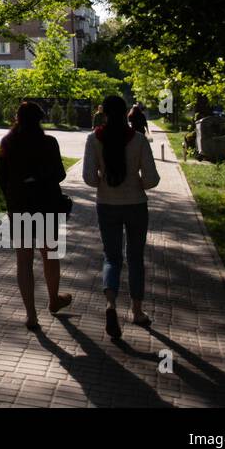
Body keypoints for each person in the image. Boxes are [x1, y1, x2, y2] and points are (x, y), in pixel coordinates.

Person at [83, 94, 161, 339]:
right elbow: (152, 179)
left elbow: (88, 178)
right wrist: (137, 183)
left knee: (112, 257)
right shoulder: (137, 139)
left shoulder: (93, 139)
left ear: (103, 112)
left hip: (106, 204)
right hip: (136, 204)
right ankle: (137, 312)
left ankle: (111, 305)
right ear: (126, 112)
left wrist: (101, 182)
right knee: (135, 258)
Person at [0, 101, 72, 331]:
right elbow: (60, 173)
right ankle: (54, 299)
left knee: (24, 260)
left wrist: (13, 196)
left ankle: (31, 316)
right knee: (50, 255)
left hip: (19, 206)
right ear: (40, 120)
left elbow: (1, 175)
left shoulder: (7, 143)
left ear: (17, 118)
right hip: (46, 204)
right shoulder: (49, 143)